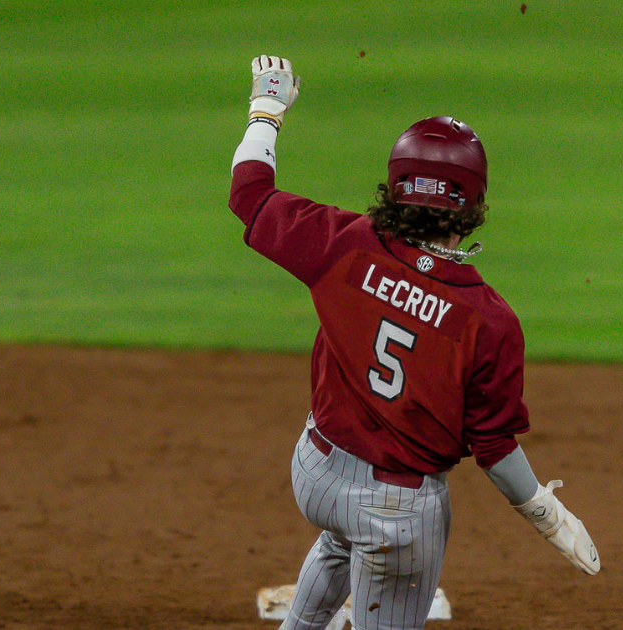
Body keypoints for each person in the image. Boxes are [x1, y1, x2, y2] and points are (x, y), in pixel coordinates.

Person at [229, 55, 600, 630]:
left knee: (341, 539)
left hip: (316, 473)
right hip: (393, 512)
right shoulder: (488, 318)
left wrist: (267, 108)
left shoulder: (343, 243)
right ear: (472, 205)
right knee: (375, 539)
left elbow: (249, 193)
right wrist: (544, 512)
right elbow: (493, 446)